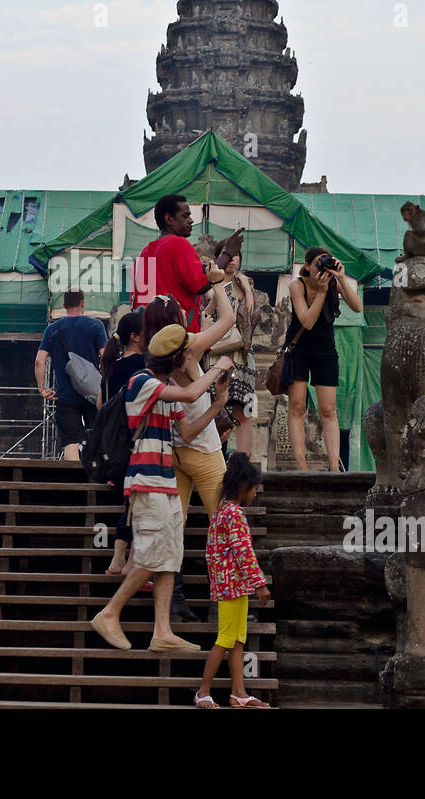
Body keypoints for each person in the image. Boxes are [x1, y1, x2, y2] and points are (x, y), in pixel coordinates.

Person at [90, 324, 233, 652]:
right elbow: (191, 393)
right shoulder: (142, 382)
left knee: (169, 554)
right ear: (176, 357)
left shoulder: (164, 388)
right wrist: (217, 369)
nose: (190, 357)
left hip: (165, 481)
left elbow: (190, 430)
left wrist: (218, 403)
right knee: (154, 553)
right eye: (186, 353)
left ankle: (162, 631)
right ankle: (110, 612)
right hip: (146, 481)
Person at [195, 452, 270, 709]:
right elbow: (244, 552)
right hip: (231, 587)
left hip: (233, 586)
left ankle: (239, 693)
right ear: (243, 487)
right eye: (254, 490)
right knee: (225, 640)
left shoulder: (220, 512)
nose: (254, 495)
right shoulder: (234, 514)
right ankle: (203, 691)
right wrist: (259, 583)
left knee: (237, 641)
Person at [282, 246, 362, 472]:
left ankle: (334, 467)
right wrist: (323, 293)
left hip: (325, 350)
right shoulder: (297, 285)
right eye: (318, 263)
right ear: (306, 266)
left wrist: (341, 278)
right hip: (298, 349)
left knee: (329, 410)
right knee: (297, 408)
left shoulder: (333, 282)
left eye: (325, 262)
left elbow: (357, 307)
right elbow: (306, 321)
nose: (321, 267)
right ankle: (301, 466)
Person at [131, 193, 241, 333]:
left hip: (147, 337)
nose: (191, 220)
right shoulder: (178, 244)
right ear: (169, 219)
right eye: (185, 216)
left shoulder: (143, 254)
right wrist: (228, 253)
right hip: (175, 340)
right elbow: (204, 281)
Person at [99, 309, 146, 576]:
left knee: (130, 505)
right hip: (133, 443)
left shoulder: (112, 365)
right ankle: (123, 562)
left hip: (113, 447)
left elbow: (99, 404)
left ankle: (122, 561)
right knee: (134, 506)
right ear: (136, 336)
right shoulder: (141, 365)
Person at [36, 290, 108, 461]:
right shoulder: (95, 326)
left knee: (71, 442)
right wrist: (105, 385)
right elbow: (106, 357)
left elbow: (39, 361)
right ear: (82, 303)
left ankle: (73, 483)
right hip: (93, 393)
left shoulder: (52, 329)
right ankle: (94, 480)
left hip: (65, 396)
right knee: (97, 438)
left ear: (64, 306)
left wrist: (42, 388)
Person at [202, 248, 260, 459]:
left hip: (243, 357)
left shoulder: (245, 286)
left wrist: (247, 290)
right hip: (217, 353)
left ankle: (244, 462)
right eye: (229, 254)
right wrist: (217, 291)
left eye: (237, 255)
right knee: (217, 408)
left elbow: (250, 322)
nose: (233, 259)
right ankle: (217, 458)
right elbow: (204, 315)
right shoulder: (208, 286)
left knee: (244, 412)